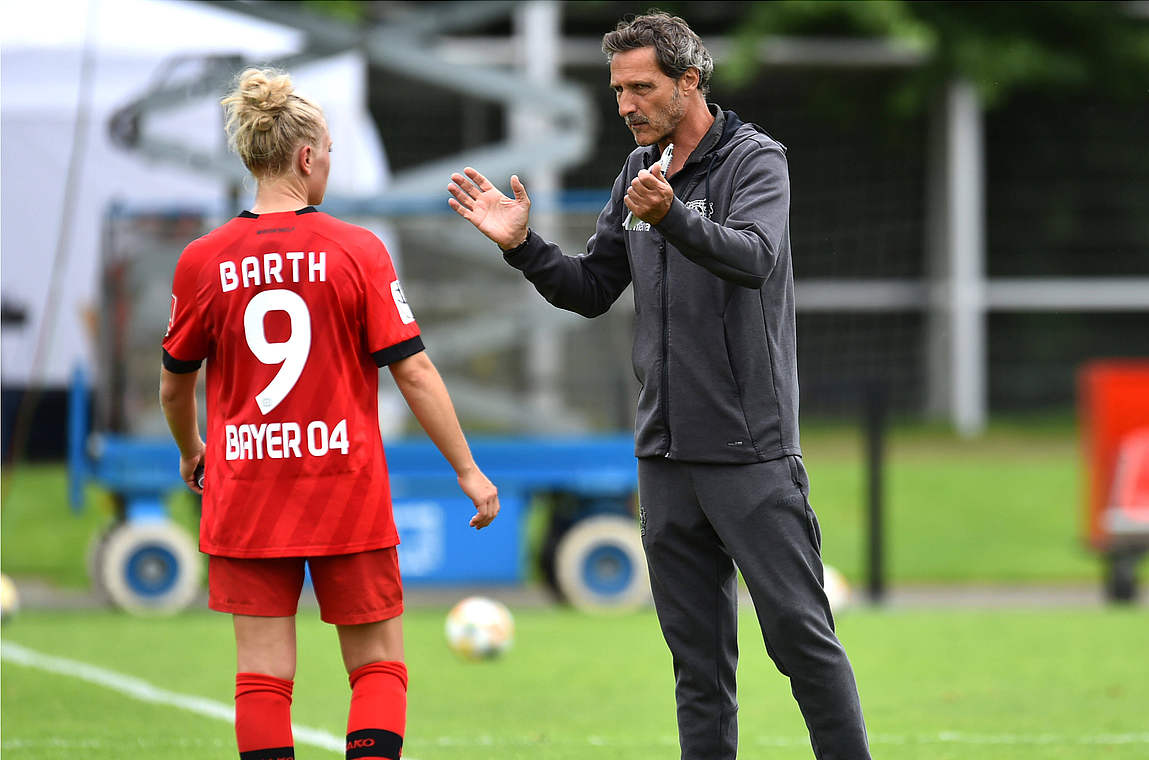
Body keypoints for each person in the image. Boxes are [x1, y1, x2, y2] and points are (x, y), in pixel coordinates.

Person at [447, 12, 872, 760]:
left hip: (749, 453)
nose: (626, 105)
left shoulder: (754, 161)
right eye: (617, 90)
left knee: (800, 640)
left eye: (641, 88)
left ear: (689, 81)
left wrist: (673, 215)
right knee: (697, 666)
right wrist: (523, 247)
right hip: (666, 455)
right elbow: (588, 288)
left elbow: (754, 258)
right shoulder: (637, 172)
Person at [161, 67, 499, 760]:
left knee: (261, 674)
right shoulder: (357, 249)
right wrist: (467, 469)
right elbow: (414, 370)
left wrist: (195, 452)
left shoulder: (202, 259)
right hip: (343, 484)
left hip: (247, 488)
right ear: (307, 156)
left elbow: (174, 384)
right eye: (331, 154)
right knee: (376, 663)